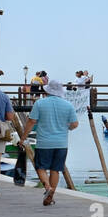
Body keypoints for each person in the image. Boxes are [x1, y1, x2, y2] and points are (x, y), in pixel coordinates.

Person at [22, 78, 78, 206]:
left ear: (48, 91)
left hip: (44, 143)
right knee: (55, 170)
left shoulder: (40, 103)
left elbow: (31, 122)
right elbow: (74, 124)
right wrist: (67, 127)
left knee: (40, 167)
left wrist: (23, 137)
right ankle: (49, 197)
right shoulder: (68, 105)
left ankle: (47, 186)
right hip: (61, 144)